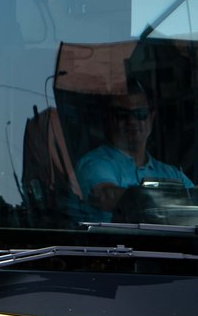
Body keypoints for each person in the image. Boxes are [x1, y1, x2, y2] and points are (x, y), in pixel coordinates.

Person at [76, 82, 192, 216]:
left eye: (140, 113)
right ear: (109, 118)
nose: (131, 120)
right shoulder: (95, 164)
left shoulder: (172, 174)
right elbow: (106, 196)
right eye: (122, 114)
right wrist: (164, 200)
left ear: (152, 118)